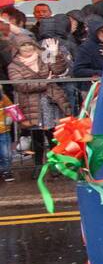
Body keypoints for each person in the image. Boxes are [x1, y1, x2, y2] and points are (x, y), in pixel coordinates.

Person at [8, 39, 71, 169]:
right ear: (17, 48)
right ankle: (38, 166)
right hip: (31, 105)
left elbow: (59, 70)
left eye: (29, 44)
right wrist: (45, 82)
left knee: (53, 135)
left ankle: (56, 166)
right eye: (23, 45)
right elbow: (20, 85)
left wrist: (55, 54)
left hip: (50, 102)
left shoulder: (44, 57)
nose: (27, 47)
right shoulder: (14, 66)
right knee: (36, 137)